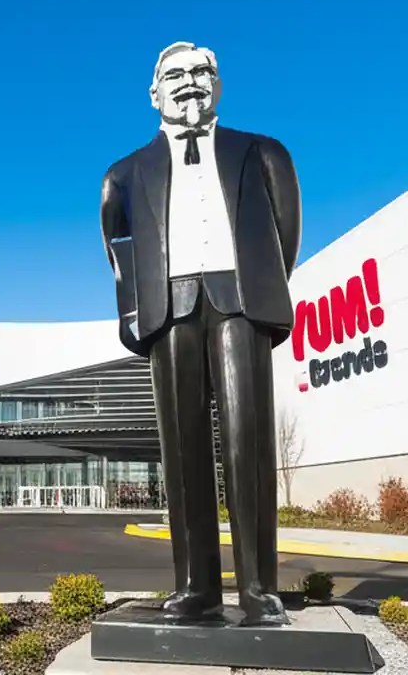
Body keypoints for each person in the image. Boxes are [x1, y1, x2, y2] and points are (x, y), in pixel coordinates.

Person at [99, 42, 302, 625]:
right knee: (182, 450)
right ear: (154, 93)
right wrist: (134, 314)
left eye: (201, 71)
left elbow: (285, 230)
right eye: (175, 75)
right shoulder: (125, 172)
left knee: (249, 441)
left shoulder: (261, 151)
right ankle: (195, 587)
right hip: (170, 310)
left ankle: (259, 587)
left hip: (238, 300)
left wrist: (261, 287)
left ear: (219, 83)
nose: (189, 82)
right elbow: (119, 248)